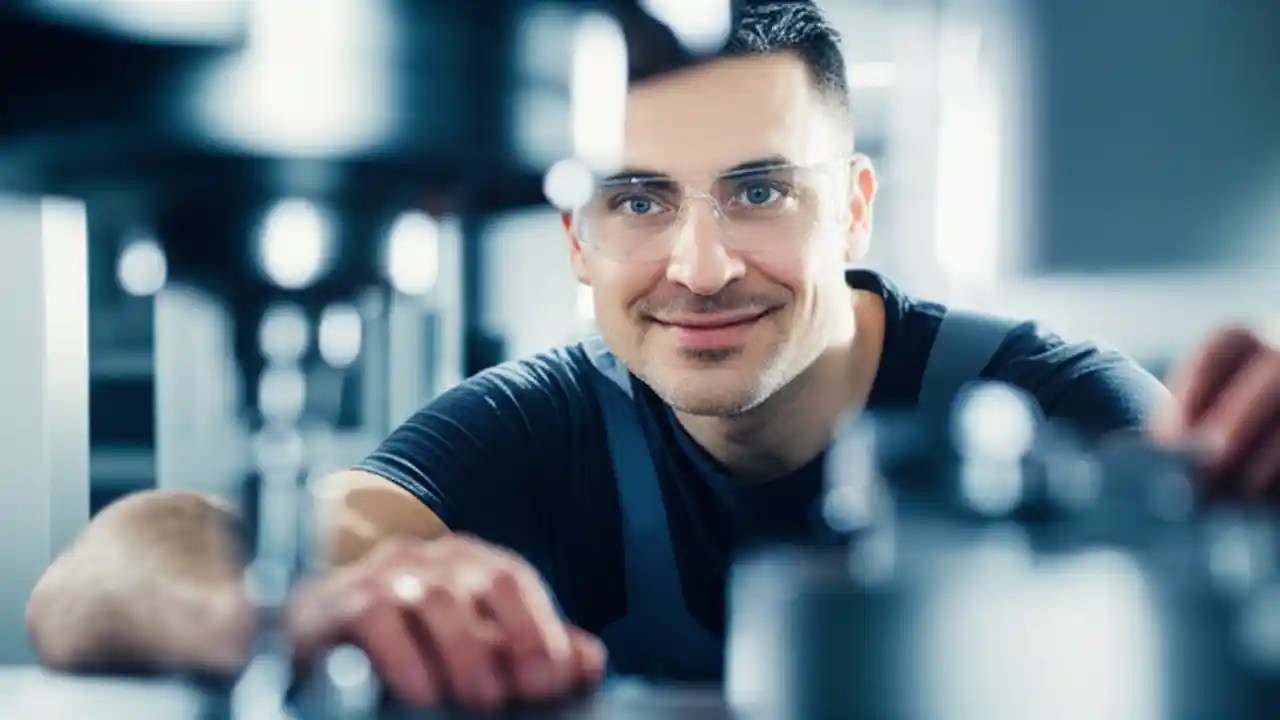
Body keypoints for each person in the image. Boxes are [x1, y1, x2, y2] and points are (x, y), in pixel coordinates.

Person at [26, 1, 1280, 712]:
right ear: (573, 235)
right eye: (635, 201)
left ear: (851, 206)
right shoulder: (538, 426)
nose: (695, 266)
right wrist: (290, 602)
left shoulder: (1056, 402)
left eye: (756, 193)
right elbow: (96, 580)